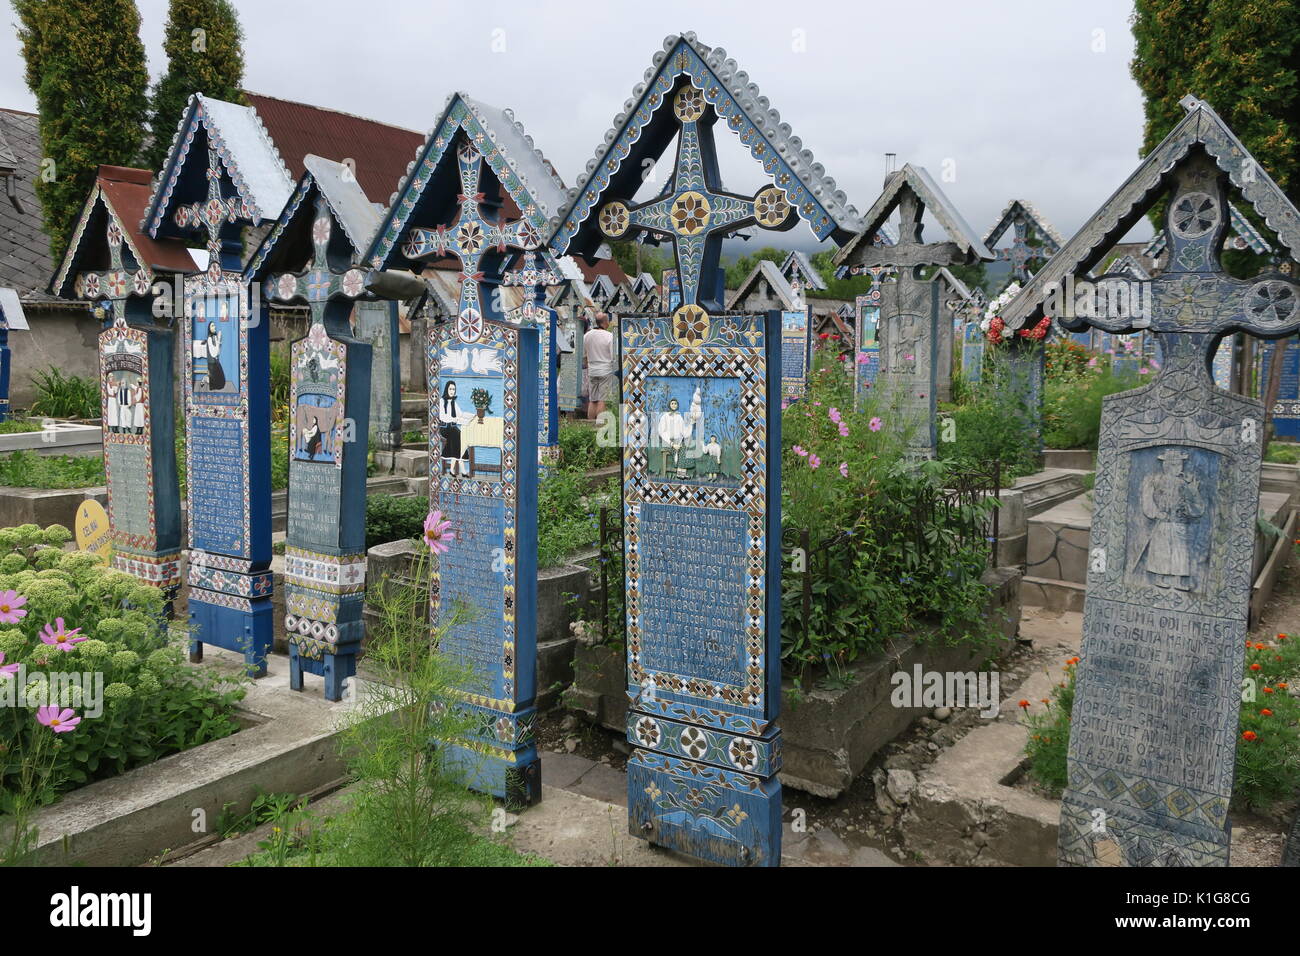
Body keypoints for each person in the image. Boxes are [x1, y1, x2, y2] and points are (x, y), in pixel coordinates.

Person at [584, 311, 617, 421]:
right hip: (605, 371)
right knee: (602, 400)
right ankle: (600, 424)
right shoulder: (610, 336)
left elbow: (584, 354)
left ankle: (590, 424)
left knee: (593, 400)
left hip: (592, 370)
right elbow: (613, 356)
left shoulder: (587, 335)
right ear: (605, 322)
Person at [437, 380, 470, 476]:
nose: (452, 391)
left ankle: (453, 470)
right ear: (446, 389)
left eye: (454, 389)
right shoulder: (442, 401)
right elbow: (442, 417)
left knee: (457, 440)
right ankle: (462, 470)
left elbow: (460, 414)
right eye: (450, 389)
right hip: (445, 428)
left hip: (452, 428)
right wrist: (453, 419)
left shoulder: (453, 402)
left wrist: (469, 417)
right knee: (458, 435)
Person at [200, 322, 226, 391]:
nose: (214, 327)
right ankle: (204, 379)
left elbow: (218, 352)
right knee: (215, 383)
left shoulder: (215, 337)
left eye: (214, 325)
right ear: (209, 328)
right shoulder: (209, 339)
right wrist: (219, 339)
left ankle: (206, 378)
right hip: (211, 362)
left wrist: (219, 340)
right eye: (212, 326)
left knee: (221, 383)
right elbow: (213, 354)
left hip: (216, 361)